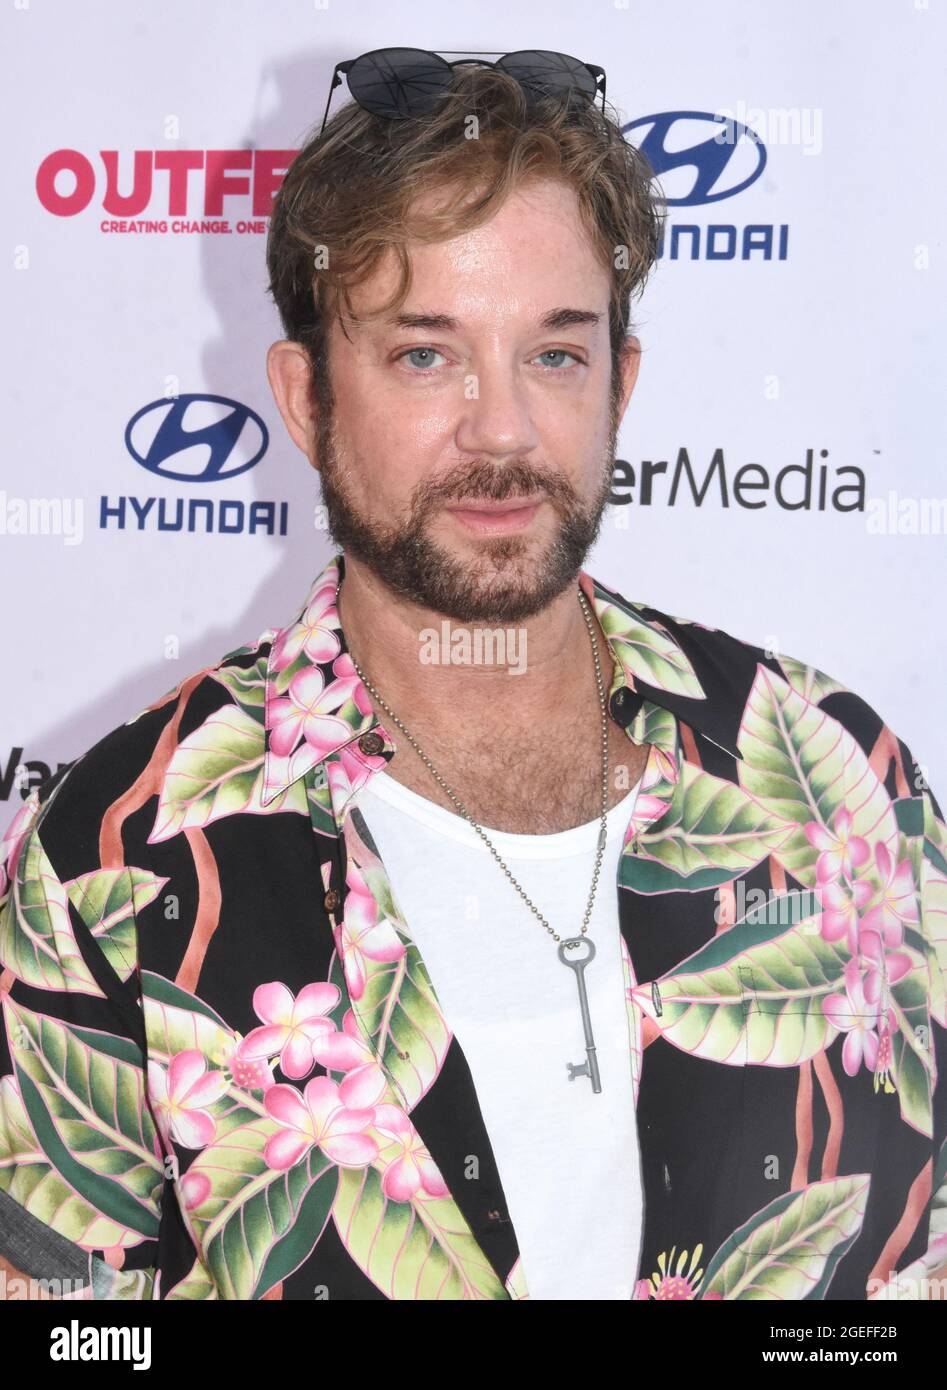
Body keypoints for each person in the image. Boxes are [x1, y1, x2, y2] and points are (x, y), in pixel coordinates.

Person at [1, 51, 945, 1302]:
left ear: (621, 383)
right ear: (304, 396)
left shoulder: (839, 781)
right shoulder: (115, 858)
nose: (500, 429)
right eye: (423, 355)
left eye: (553, 354)